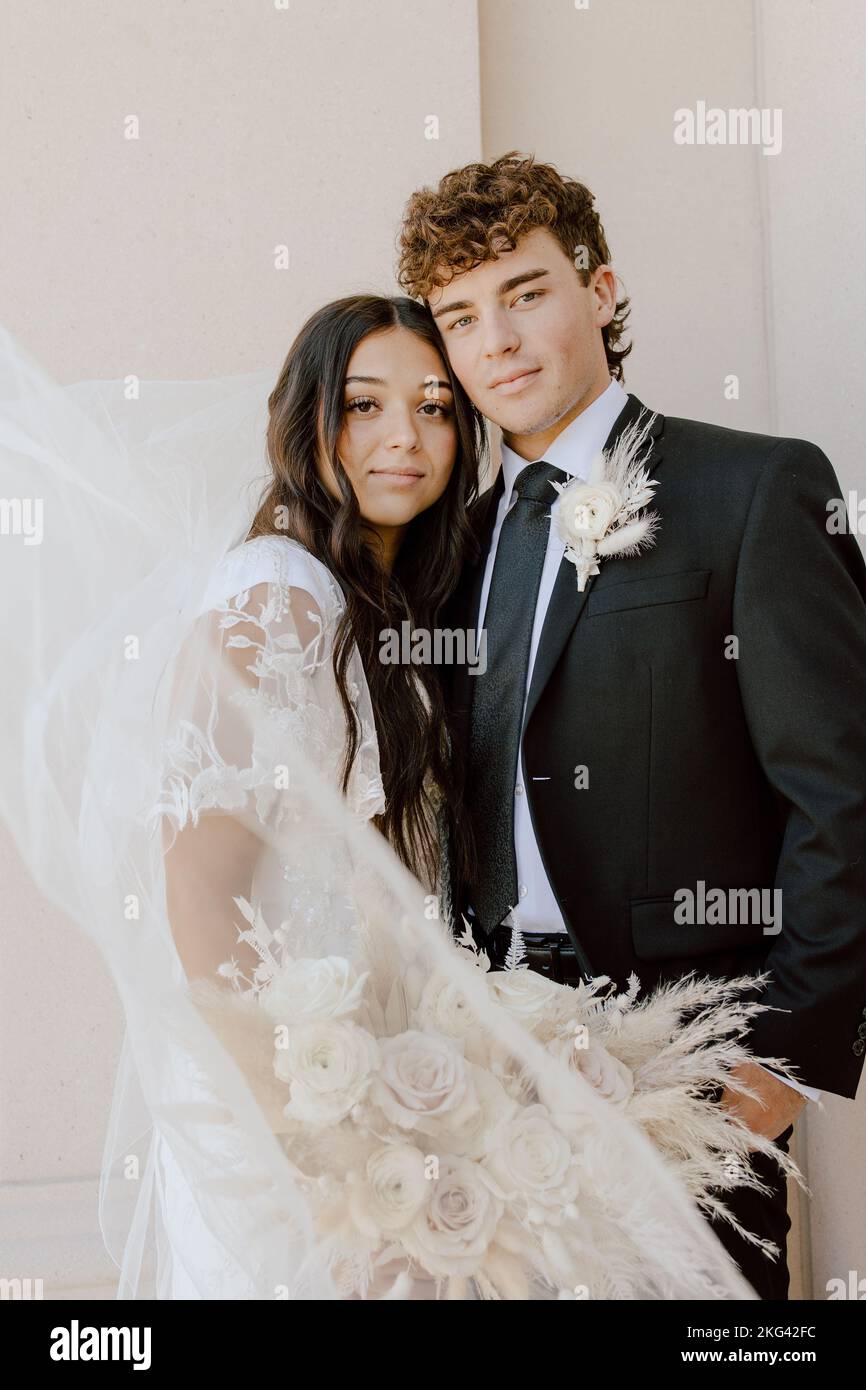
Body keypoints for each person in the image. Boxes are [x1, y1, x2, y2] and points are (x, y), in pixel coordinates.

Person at [0, 290, 804, 1301]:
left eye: (432, 408)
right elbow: (199, 893)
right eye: (363, 406)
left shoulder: (376, 598)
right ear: (306, 422)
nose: (404, 439)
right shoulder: (279, 596)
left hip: (389, 1099)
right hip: (300, 1126)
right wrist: (308, 1134)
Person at [396, 150, 866, 1299]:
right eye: (459, 318)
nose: (494, 342)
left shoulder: (752, 490)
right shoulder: (445, 546)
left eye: (524, 293)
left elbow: (842, 790)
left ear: (600, 290)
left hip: (690, 1072)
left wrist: (777, 1067)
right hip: (484, 1077)